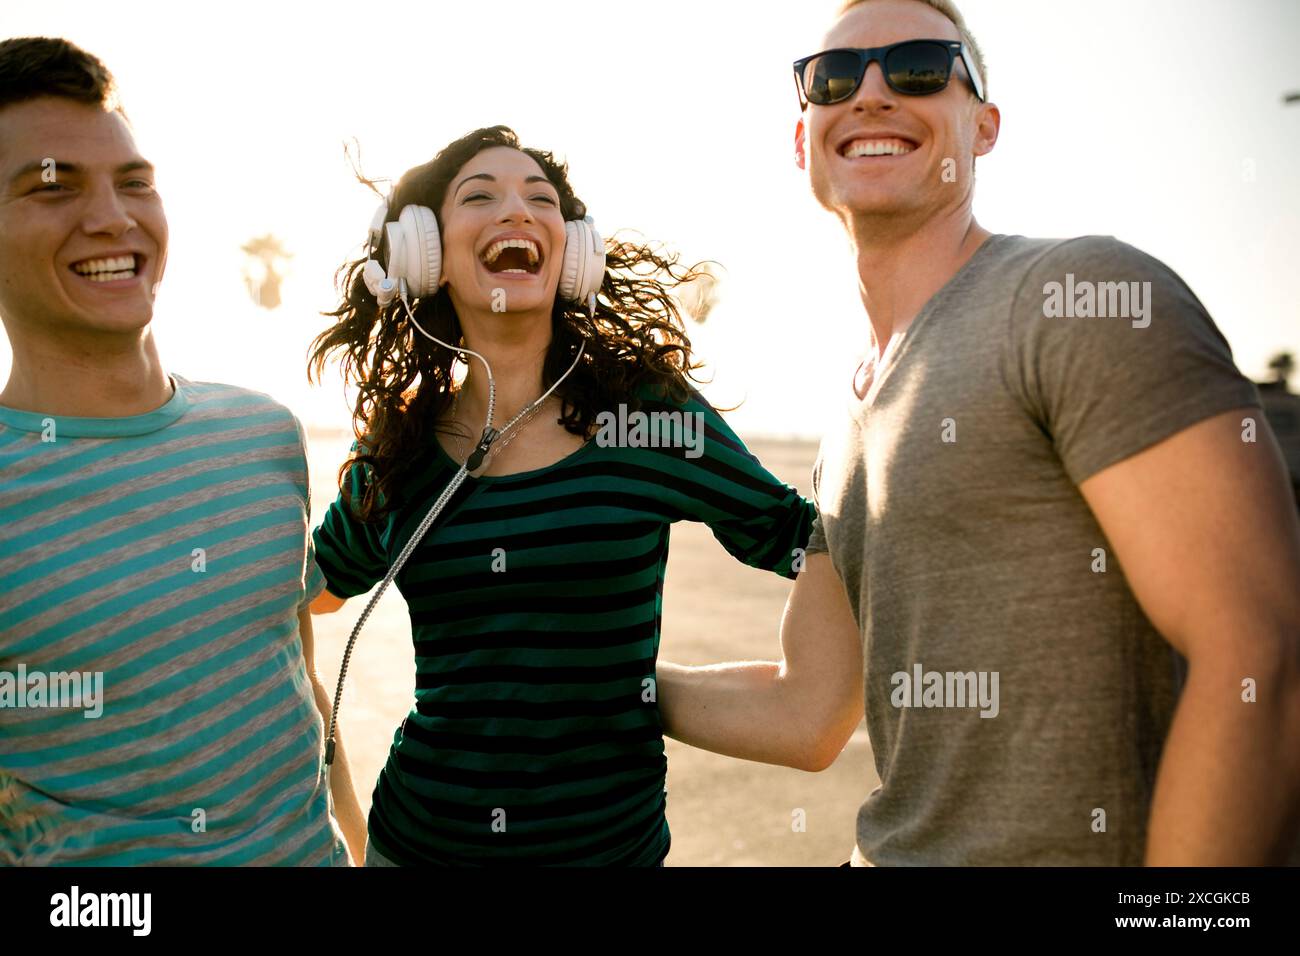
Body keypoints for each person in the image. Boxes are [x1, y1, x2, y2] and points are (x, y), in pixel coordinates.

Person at [657, 0, 1300, 865]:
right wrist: (600, 681)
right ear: (803, 137)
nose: (873, 94)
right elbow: (808, 711)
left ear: (984, 125)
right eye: (835, 78)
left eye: (920, 67)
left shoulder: (1077, 296)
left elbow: (1261, 654)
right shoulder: (846, 418)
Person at [307, 125, 823, 866]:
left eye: (539, 199)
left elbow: (800, 538)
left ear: (572, 251)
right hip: (415, 843)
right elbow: (303, 596)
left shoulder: (647, 413)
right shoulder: (402, 449)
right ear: (425, 252)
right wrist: (340, 812)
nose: (516, 211)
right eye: (479, 196)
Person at [0, 37, 366, 865]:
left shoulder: (264, 434)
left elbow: (295, 680)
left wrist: (362, 844)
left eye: (134, 183)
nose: (112, 217)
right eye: (51, 187)